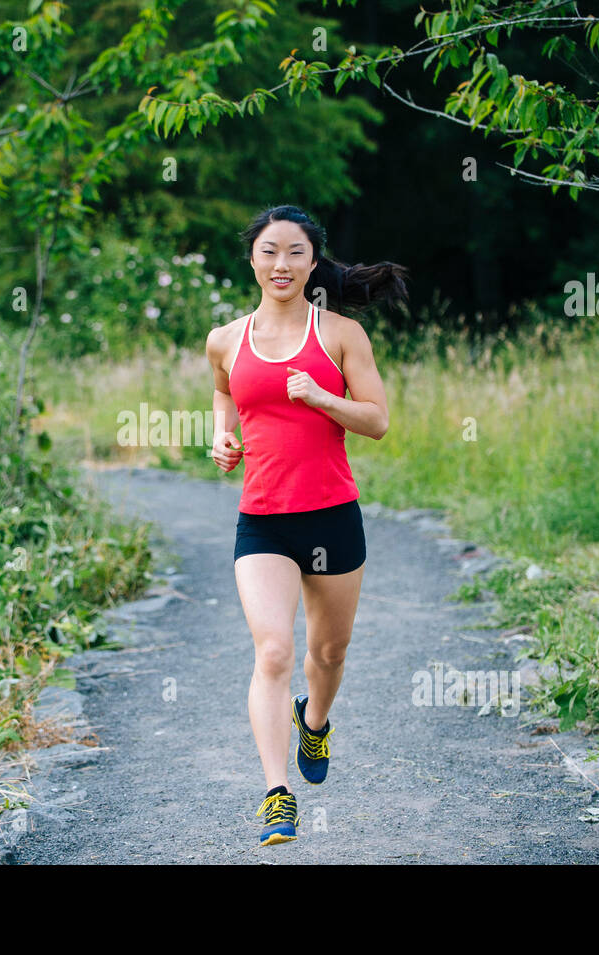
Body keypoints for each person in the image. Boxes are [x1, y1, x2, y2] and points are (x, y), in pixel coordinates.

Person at [204, 204, 408, 845]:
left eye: (294, 252)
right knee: (273, 651)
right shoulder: (225, 339)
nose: (281, 264)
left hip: (330, 516)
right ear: (253, 260)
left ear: (313, 262)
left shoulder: (342, 334)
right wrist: (223, 437)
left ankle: (314, 721)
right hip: (262, 520)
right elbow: (223, 391)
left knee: (328, 652)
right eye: (269, 251)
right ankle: (276, 793)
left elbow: (376, 420)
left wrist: (320, 397)